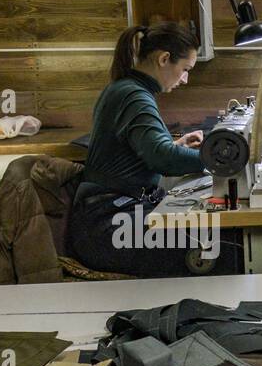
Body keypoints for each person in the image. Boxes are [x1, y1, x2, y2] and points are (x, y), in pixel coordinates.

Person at [68, 22, 208, 277]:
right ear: (164, 59)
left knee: (208, 236)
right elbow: (162, 158)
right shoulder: (134, 96)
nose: (185, 79)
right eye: (185, 69)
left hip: (107, 216)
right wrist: (217, 159)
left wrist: (177, 145)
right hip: (108, 226)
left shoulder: (125, 89)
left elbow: (144, 153)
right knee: (213, 246)